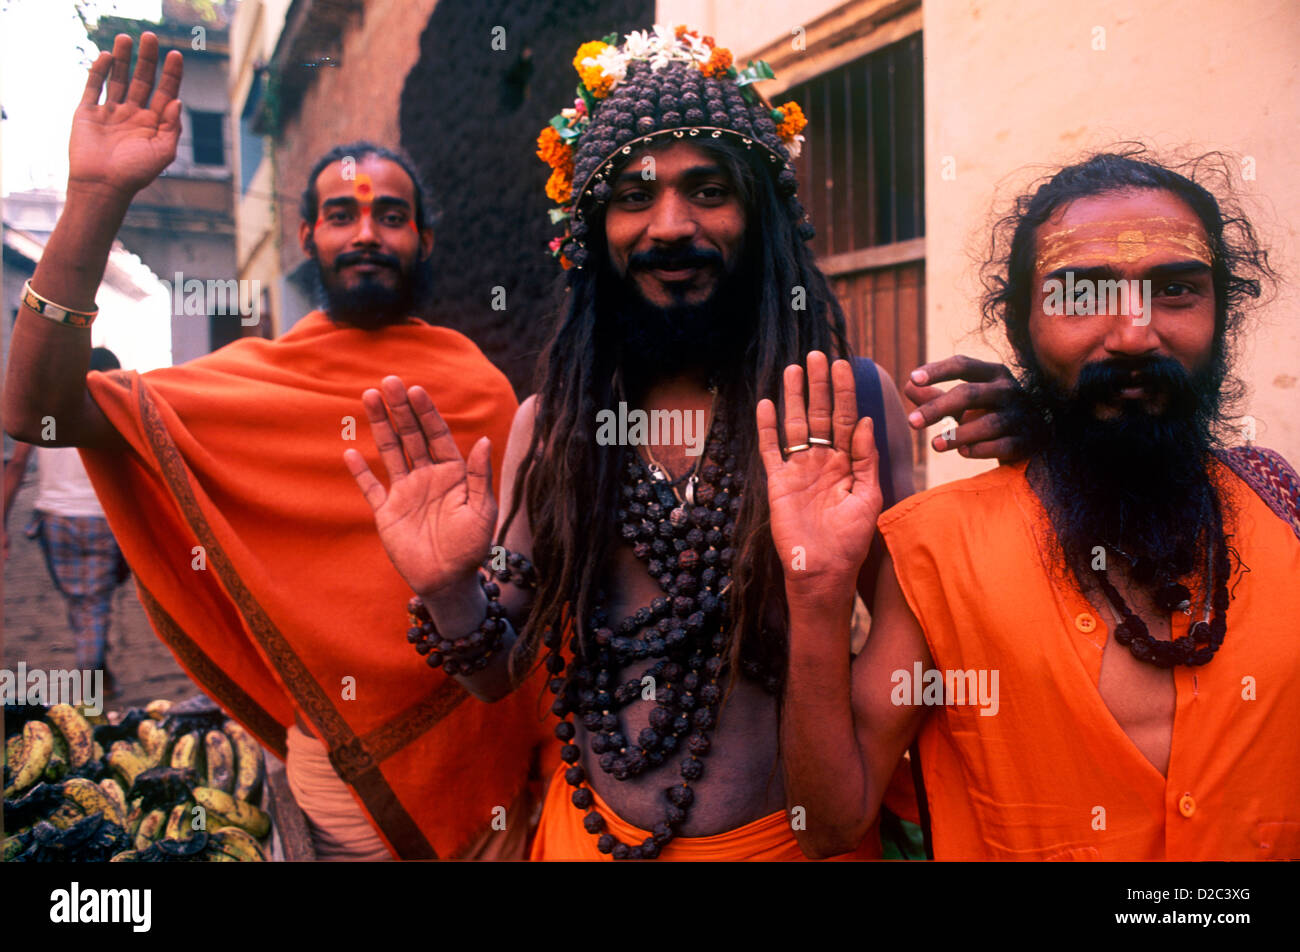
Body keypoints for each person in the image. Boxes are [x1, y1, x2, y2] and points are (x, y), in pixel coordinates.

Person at [347, 25, 1023, 860]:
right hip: (587, 841)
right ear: (593, 231)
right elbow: (495, 673)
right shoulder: (551, 424)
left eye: (708, 190)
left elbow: (936, 628)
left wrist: (1045, 448)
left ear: (763, 218)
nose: (670, 225)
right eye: (633, 196)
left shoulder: (848, 408)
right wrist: (451, 590)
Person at [2, 32, 542, 860]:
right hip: (345, 774)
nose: (366, 232)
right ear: (306, 238)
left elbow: (525, 593)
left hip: (499, 756)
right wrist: (96, 199)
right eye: (341, 214)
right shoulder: (247, 383)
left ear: (424, 242)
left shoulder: (479, 385)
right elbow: (37, 413)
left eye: (391, 216)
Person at [767, 149, 1300, 860]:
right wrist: (816, 590)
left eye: (1176, 290)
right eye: (1082, 294)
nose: (1135, 334)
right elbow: (829, 824)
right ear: (1020, 324)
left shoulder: (1281, 507)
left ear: (1222, 312)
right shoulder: (938, 551)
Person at [4, 348, 131, 692]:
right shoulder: (115, 409)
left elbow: (15, 466)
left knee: (84, 600)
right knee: (93, 602)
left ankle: (97, 666)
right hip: (101, 518)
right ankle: (92, 675)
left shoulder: (47, 407)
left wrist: (2, 523)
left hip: (55, 519)